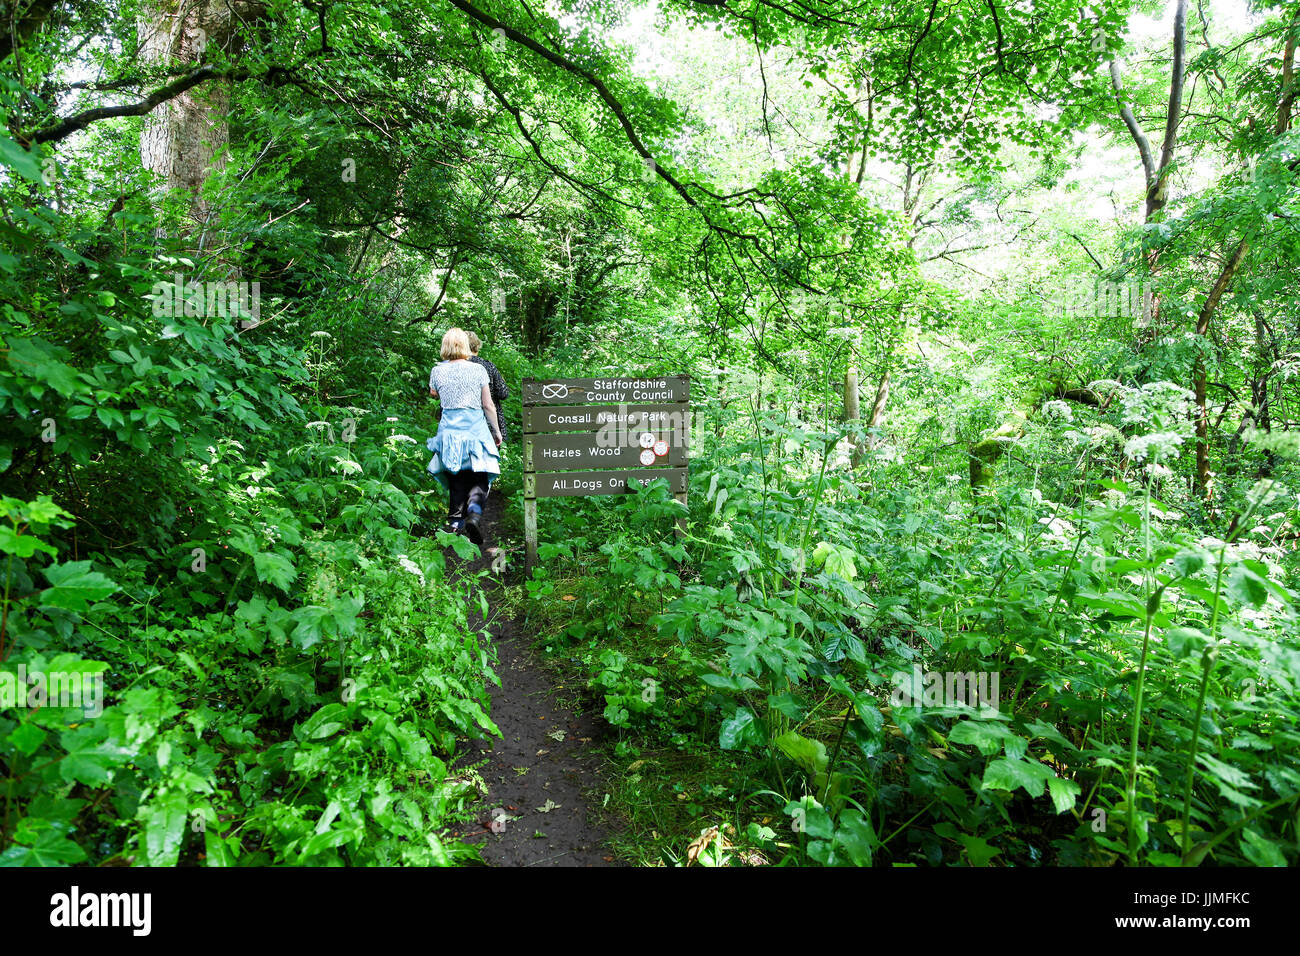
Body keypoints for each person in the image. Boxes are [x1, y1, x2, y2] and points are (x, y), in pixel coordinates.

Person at [427, 327, 503, 545]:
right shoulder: (478, 370)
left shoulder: (437, 371)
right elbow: (488, 404)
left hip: (450, 431)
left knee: (456, 475)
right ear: (466, 346)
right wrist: (496, 431)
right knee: (480, 475)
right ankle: (475, 515)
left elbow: (434, 393)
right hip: (475, 430)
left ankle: (455, 523)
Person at [467, 330, 509, 442]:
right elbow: (503, 393)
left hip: (461, 424)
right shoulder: (487, 366)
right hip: (488, 422)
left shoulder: (452, 367)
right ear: (476, 346)